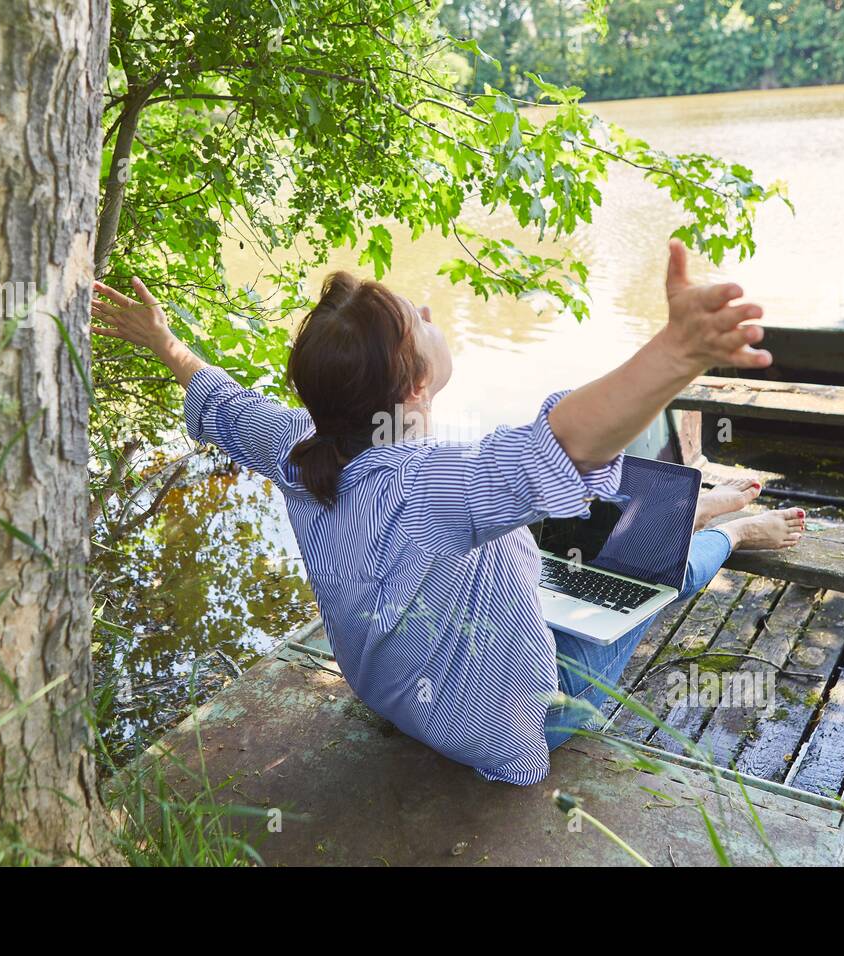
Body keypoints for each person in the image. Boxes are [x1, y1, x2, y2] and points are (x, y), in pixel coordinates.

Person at [91, 240, 805, 785]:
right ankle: (732, 529)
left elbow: (222, 402)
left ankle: (699, 506)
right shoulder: (429, 487)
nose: (431, 312)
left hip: (396, 694)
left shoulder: (297, 443)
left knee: (538, 532)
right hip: (507, 726)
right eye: (416, 321)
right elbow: (564, 443)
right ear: (417, 386)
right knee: (651, 583)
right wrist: (678, 350)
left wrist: (164, 342)